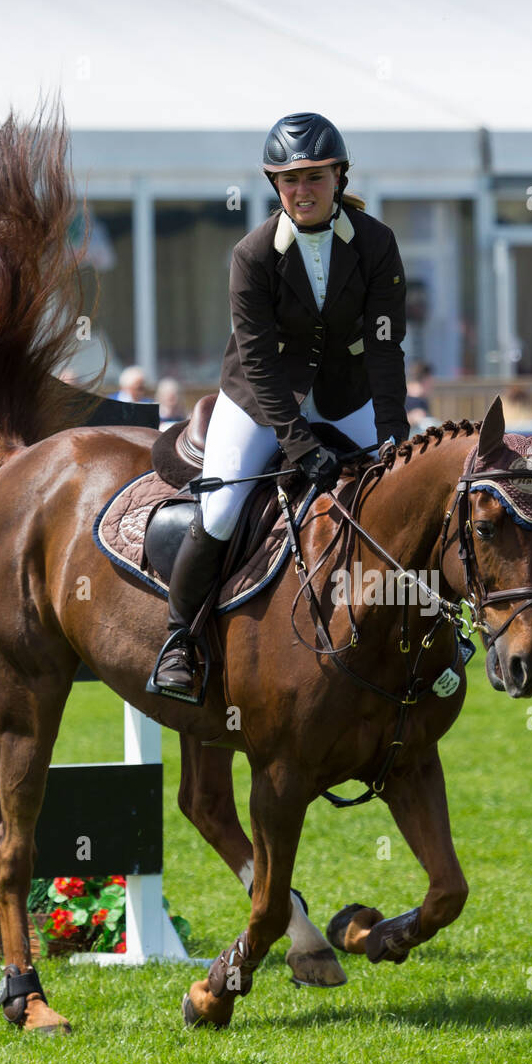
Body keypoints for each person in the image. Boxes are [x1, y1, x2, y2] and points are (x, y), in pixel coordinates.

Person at [149, 112, 408, 699]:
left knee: (399, 495)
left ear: (339, 176)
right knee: (220, 508)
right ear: (274, 186)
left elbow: (387, 345)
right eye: (289, 180)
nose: (302, 190)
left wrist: (393, 428)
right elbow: (261, 364)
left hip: (347, 397)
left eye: (315, 176)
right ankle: (179, 641)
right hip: (261, 402)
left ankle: (425, 626)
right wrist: (300, 445)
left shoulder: (376, 243)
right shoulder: (252, 255)